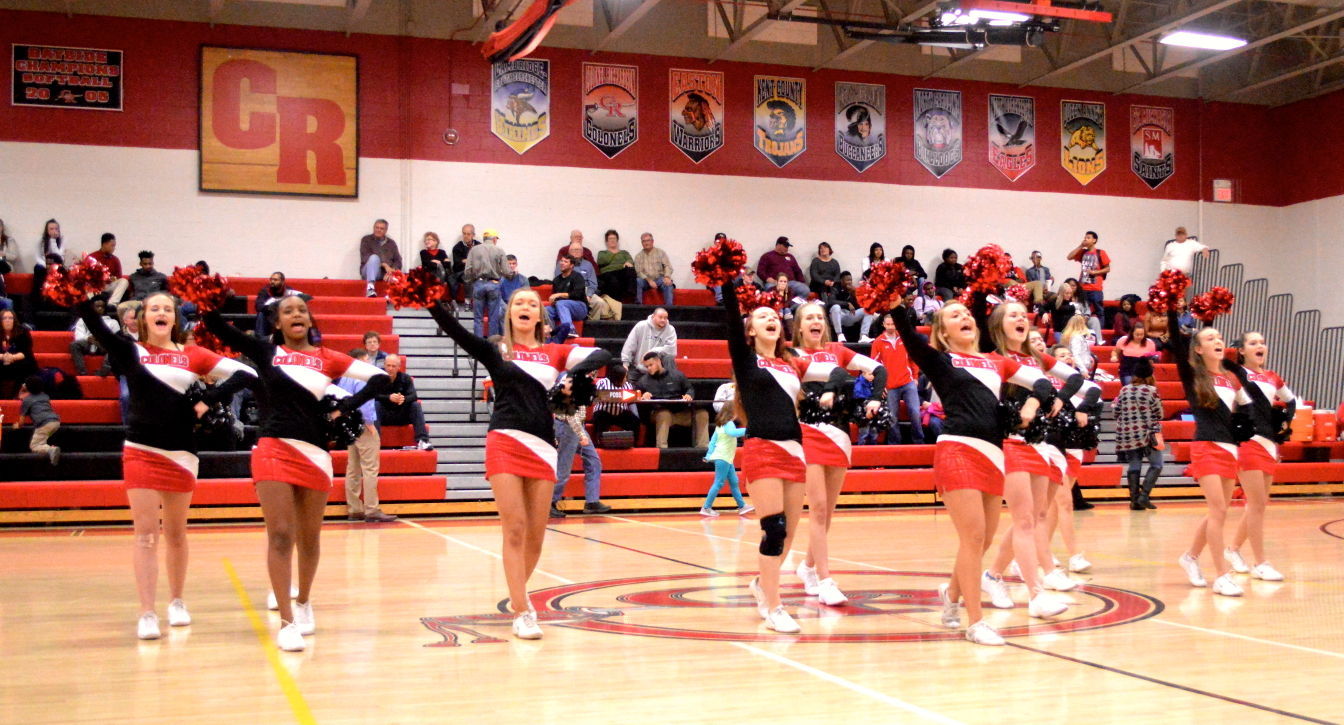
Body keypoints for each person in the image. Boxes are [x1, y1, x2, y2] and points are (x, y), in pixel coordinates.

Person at [204, 294, 390, 651]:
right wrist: (205, 298)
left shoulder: (328, 358)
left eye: (301, 310)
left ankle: (304, 601)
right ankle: (287, 621)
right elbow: (216, 326)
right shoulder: (265, 352)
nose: (296, 314)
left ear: (310, 320)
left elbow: (381, 379)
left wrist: (343, 408)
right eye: (288, 311)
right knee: (280, 534)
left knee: (309, 537)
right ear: (277, 323)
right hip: (273, 448)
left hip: (316, 453)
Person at [426, 288, 611, 639]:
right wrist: (429, 299)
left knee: (537, 537)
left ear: (541, 316)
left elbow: (603, 353)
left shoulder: (554, 352)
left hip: (543, 445)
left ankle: (515, 595)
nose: (525, 307)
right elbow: (455, 330)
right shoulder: (496, 349)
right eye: (518, 303)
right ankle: (524, 611)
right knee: (514, 528)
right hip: (505, 442)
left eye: (532, 304)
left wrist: (573, 374)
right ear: (509, 313)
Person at [79, 291, 255, 639]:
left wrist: (208, 400)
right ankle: (146, 612)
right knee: (145, 535)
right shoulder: (131, 350)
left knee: (175, 533)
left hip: (182, 453)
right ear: (143, 318)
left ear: (175, 318)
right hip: (141, 448)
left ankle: (176, 601)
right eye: (153, 308)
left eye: (167, 309)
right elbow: (95, 324)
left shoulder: (193, 354)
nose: (160, 313)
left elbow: (246, 374)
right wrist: (83, 295)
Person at [891, 298, 1056, 645]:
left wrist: (1031, 403)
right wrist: (896, 306)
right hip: (958, 451)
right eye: (954, 315)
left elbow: (1043, 383)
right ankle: (976, 621)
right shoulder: (940, 360)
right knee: (974, 537)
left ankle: (950, 595)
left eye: (966, 313)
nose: (964, 316)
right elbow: (908, 336)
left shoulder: (998, 362)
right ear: (943, 330)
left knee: (979, 542)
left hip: (994, 456)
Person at [975, 298, 1090, 617]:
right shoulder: (993, 356)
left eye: (1023, 315)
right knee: (1026, 519)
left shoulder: (1035, 357)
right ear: (999, 324)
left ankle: (993, 575)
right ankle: (1036, 594)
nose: (1020, 319)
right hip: (1008, 441)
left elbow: (1077, 379)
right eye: (1012, 315)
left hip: (1039, 442)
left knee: (1032, 517)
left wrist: (1057, 399)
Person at [718, 281, 810, 634]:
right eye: (762, 316)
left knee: (788, 536)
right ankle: (774, 606)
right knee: (774, 530)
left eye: (774, 315)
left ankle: (762, 584)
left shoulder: (793, 364)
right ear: (751, 329)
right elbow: (729, 321)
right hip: (763, 450)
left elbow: (832, 373)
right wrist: (727, 284)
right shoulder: (746, 360)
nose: (771, 319)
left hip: (796, 450)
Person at [790, 302, 885, 607]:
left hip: (841, 434)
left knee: (827, 511)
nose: (816, 321)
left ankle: (806, 567)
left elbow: (878, 369)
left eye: (820, 317)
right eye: (809, 318)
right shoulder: (791, 356)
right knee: (817, 509)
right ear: (800, 327)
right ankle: (825, 579)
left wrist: (873, 399)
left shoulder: (838, 351)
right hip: (808, 432)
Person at [1169, 306, 1251, 597]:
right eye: (1210, 338)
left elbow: (1247, 408)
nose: (1218, 341)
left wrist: (1251, 427)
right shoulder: (1194, 376)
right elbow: (1179, 346)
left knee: (1219, 511)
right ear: (1199, 349)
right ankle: (1222, 576)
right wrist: (1170, 307)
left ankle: (1190, 557)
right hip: (1206, 447)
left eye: (1219, 337)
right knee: (1218, 511)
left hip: (1230, 449)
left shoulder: (1231, 377)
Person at [1224, 331, 1297, 582]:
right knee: (1256, 505)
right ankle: (1260, 563)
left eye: (1263, 343)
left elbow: (1292, 400)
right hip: (1248, 443)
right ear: (1242, 350)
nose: (1260, 346)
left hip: (1269, 443)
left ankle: (1232, 549)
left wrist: (1286, 421)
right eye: (1253, 343)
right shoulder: (1236, 375)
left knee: (1259, 505)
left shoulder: (1272, 376)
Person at [337, 349, 396, 523]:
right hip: (362, 424)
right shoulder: (363, 378)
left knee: (353, 468)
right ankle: (371, 509)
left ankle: (354, 509)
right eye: (366, 358)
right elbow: (366, 401)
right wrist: (369, 422)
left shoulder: (344, 378)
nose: (369, 361)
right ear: (360, 361)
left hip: (348, 423)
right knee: (370, 468)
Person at [550, 373, 611, 517]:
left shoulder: (583, 381)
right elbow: (570, 414)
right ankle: (549, 502)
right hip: (567, 426)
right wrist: (582, 435)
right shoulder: (569, 380)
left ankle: (592, 501)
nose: (594, 373)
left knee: (593, 461)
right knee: (563, 469)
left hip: (577, 425)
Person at [1114, 357, 1164, 510]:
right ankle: (1144, 496)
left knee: (1134, 465)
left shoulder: (1124, 390)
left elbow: (1117, 412)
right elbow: (1159, 413)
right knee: (1157, 464)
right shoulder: (1152, 390)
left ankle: (1134, 500)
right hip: (1148, 434)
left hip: (1127, 434)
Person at [636, 352, 708, 448]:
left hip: (681, 412)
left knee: (702, 414)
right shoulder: (643, 382)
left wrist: (688, 395)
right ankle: (661, 449)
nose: (649, 368)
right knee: (664, 414)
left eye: (650, 365)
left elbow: (689, 388)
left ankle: (703, 448)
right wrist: (643, 396)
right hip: (659, 414)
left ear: (658, 361)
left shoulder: (678, 376)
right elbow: (638, 401)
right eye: (646, 366)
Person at [870, 313, 921, 444]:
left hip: (908, 381)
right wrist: (880, 386)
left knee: (915, 413)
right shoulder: (878, 342)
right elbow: (874, 366)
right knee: (892, 418)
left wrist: (915, 377)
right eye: (888, 324)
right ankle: (894, 445)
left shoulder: (904, 338)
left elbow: (913, 358)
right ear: (883, 324)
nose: (891, 327)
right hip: (890, 385)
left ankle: (920, 442)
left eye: (893, 324)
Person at [700, 404, 753, 517]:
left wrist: (708, 455)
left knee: (734, 481)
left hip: (726, 458)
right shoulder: (729, 424)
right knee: (718, 482)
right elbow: (732, 433)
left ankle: (742, 506)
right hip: (723, 457)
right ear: (732, 412)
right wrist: (749, 429)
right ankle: (706, 507)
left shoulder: (720, 425)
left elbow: (713, 441)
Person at [375, 354, 434, 451]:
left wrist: (404, 399)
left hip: (401, 415)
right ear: (384, 365)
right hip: (384, 415)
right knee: (375, 404)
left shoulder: (405, 378)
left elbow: (414, 396)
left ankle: (423, 441)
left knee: (415, 405)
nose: (390, 368)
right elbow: (372, 395)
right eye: (388, 365)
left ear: (399, 367)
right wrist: (388, 398)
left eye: (393, 366)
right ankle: (375, 441)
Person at [465, 229, 508, 337]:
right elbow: (506, 271)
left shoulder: (474, 250)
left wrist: (472, 281)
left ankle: (478, 347)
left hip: (478, 284)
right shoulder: (499, 250)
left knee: (478, 318)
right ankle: (491, 346)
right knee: (493, 318)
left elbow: (467, 270)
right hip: (493, 284)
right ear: (494, 239)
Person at [620, 307, 677, 386]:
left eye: (665, 318)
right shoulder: (641, 326)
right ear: (653, 316)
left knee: (669, 358)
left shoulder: (670, 330)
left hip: (658, 370)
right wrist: (625, 364)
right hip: (639, 367)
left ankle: (671, 387)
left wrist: (652, 351)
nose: (663, 320)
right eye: (660, 317)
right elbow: (630, 345)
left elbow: (672, 351)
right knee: (628, 388)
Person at [14, 374, 62, 465]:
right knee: (42, 439)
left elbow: (21, 421)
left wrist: (17, 425)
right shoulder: (45, 396)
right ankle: (48, 448)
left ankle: (51, 450)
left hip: (44, 424)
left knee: (34, 446)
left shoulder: (27, 401)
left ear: (27, 387)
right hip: (55, 422)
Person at [69, 295, 118, 376]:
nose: (100, 309)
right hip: (88, 343)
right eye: (97, 306)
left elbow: (117, 338)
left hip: (104, 346)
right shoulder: (83, 320)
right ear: (92, 307)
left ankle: (104, 371)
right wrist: (87, 338)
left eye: (102, 307)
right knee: (74, 345)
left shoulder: (113, 322)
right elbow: (78, 335)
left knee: (115, 348)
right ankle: (82, 372)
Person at [1066, 231, 1110, 319]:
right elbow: (1069, 257)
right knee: (1083, 311)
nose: (1085, 239)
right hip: (1082, 287)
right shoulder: (1083, 252)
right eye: (1085, 237)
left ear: (1094, 240)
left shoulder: (1100, 252)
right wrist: (1080, 246)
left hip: (1095, 288)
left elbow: (1107, 268)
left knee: (1099, 311)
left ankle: (1099, 330)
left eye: (1088, 237)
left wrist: (1095, 272)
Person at [591, 363, 640, 441]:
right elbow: (595, 399)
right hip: (604, 411)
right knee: (599, 418)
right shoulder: (602, 383)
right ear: (618, 378)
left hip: (620, 412)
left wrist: (638, 397)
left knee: (635, 421)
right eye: (624, 377)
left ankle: (633, 444)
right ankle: (598, 443)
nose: (626, 379)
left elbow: (631, 401)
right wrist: (614, 395)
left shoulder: (628, 385)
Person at [254, 273, 309, 338]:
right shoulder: (265, 291)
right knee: (261, 314)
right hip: (269, 315)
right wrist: (272, 307)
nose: (272, 282)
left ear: (282, 281)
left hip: (284, 314)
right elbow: (259, 306)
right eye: (271, 279)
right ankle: (261, 338)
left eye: (275, 280)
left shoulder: (289, 291)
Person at [827, 272, 875, 343]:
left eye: (850, 280)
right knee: (836, 307)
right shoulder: (835, 287)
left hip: (847, 316)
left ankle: (863, 336)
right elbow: (831, 301)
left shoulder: (852, 289)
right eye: (847, 280)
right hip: (836, 315)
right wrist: (847, 304)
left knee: (868, 310)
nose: (849, 282)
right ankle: (839, 334)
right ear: (841, 281)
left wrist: (853, 293)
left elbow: (858, 307)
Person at [360, 219, 402, 297]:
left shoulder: (391, 243)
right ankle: (370, 289)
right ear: (373, 228)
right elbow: (365, 257)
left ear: (386, 230)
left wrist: (392, 270)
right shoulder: (366, 240)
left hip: (385, 274)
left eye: (381, 228)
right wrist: (385, 265)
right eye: (377, 227)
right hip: (368, 271)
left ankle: (388, 298)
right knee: (374, 258)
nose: (378, 230)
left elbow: (398, 260)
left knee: (397, 276)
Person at [1, 308, 37, 398]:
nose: (8, 321)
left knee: (27, 363)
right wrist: (3, 357)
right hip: (1, 361)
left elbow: (26, 352)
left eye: (10, 318)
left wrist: (12, 357)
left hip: (18, 361)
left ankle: (20, 393)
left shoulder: (23, 332)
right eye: (4, 318)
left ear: (15, 320)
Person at [547, 256, 588, 334]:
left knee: (561, 303)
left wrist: (559, 295)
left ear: (571, 265)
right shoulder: (557, 280)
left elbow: (577, 294)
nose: (562, 263)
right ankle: (552, 332)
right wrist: (554, 301)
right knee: (546, 310)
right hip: (562, 308)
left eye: (565, 262)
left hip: (580, 308)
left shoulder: (577, 276)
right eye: (561, 261)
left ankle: (570, 330)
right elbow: (555, 297)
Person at [633, 232, 676, 306]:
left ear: (652, 241)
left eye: (648, 240)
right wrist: (649, 280)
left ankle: (669, 309)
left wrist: (667, 277)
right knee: (637, 281)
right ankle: (638, 307)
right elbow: (638, 272)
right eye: (644, 241)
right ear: (641, 243)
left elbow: (668, 266)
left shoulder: (661, 253)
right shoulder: (638, 256)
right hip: (645, 281)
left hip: (659, 279)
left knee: (668, 283)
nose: (646, 243)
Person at [89, 233, 130, 304]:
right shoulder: (92, 257)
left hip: (108, 285)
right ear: (104, 244)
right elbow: (87, 275)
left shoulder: (115, 260)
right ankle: (92, 304)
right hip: (95, 285)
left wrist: (113, 279)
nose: (114, 248)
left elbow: (118, 277)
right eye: (112, 246)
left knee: (124, 281)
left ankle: (112, 303)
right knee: (86, 284)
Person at [596, 229, 637, 302]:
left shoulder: (624, 253)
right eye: (610, 239)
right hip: (608, 273)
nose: (612, 240)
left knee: (631, 270)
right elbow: (601, 261)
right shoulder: (602, 253)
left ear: (617, 240)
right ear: (607, 241)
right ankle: (617, 302)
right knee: (613, 279)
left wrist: (628, 262)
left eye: (614, 238)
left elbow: (630, 260)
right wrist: (613, 253)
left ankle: (631, 295)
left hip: (621, 272)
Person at [448, 224, 477, 303]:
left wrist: (467, 260)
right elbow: (459, 262)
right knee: (467, 276)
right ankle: (467, 302)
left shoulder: (479, 245)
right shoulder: (457, 247)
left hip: (477, 271)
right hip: (461, 272)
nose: (466, 236)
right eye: (464, 233)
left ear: (473, 235)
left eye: (468, 234)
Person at [0, 218, 17, 310]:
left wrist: (3, 254)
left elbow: (14, 256)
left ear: (2, 228)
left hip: (5, 265)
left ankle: (2, 295)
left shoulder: (9, 240)